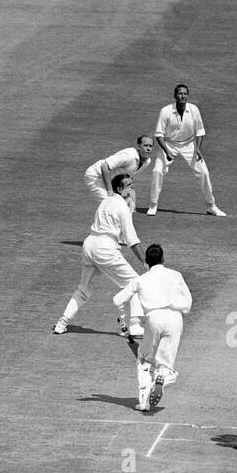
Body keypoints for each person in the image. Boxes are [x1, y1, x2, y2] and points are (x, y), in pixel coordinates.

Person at [53, 174, 146, 337]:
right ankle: (135, 326)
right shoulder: (122, 207)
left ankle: (62, 322)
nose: (132, 188)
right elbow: (132, 240)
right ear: (120, 189)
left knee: (83, 288)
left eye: (132, 184)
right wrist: (146, 263)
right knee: (136, 284)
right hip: (105, 248)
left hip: (89, 245)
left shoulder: (106, 200)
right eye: (129, 185)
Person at [113, 244, 192, 411]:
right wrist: (181, 309)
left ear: (146, 263)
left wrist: (123, 320)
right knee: (165, 364)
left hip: (154, 318)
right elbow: (188, 302)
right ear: (162, 259)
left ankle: (144, 402)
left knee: (144, 358)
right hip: (175, 319)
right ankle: (162, 377)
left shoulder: (140, 280)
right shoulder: (176, 275)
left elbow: (118, 300)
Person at [150, 84, 226, 216]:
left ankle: (211, 206)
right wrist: (167, 151)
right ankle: (153, 205)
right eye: (180, 93)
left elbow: (200, 131)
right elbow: (159, 134)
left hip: (189, 144)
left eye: (185, 94)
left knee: (204, 173)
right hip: (169, 144)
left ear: (187, 96)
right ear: (175, 96)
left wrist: (197, 149)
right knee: (157, 171)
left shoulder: (194, 110)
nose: (182, 96)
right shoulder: (165, 111)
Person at [84, 136, 155, 205]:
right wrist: (110, 190)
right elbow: (104, 166)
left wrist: (126, 193)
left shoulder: (147, 161)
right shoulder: (129, 156)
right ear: (138, 147)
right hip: (96, 176)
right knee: (110, 204)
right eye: (145, 145)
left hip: (112, 180)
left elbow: (129, 176)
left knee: (124, 204)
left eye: (150, 146)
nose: (148, 148)